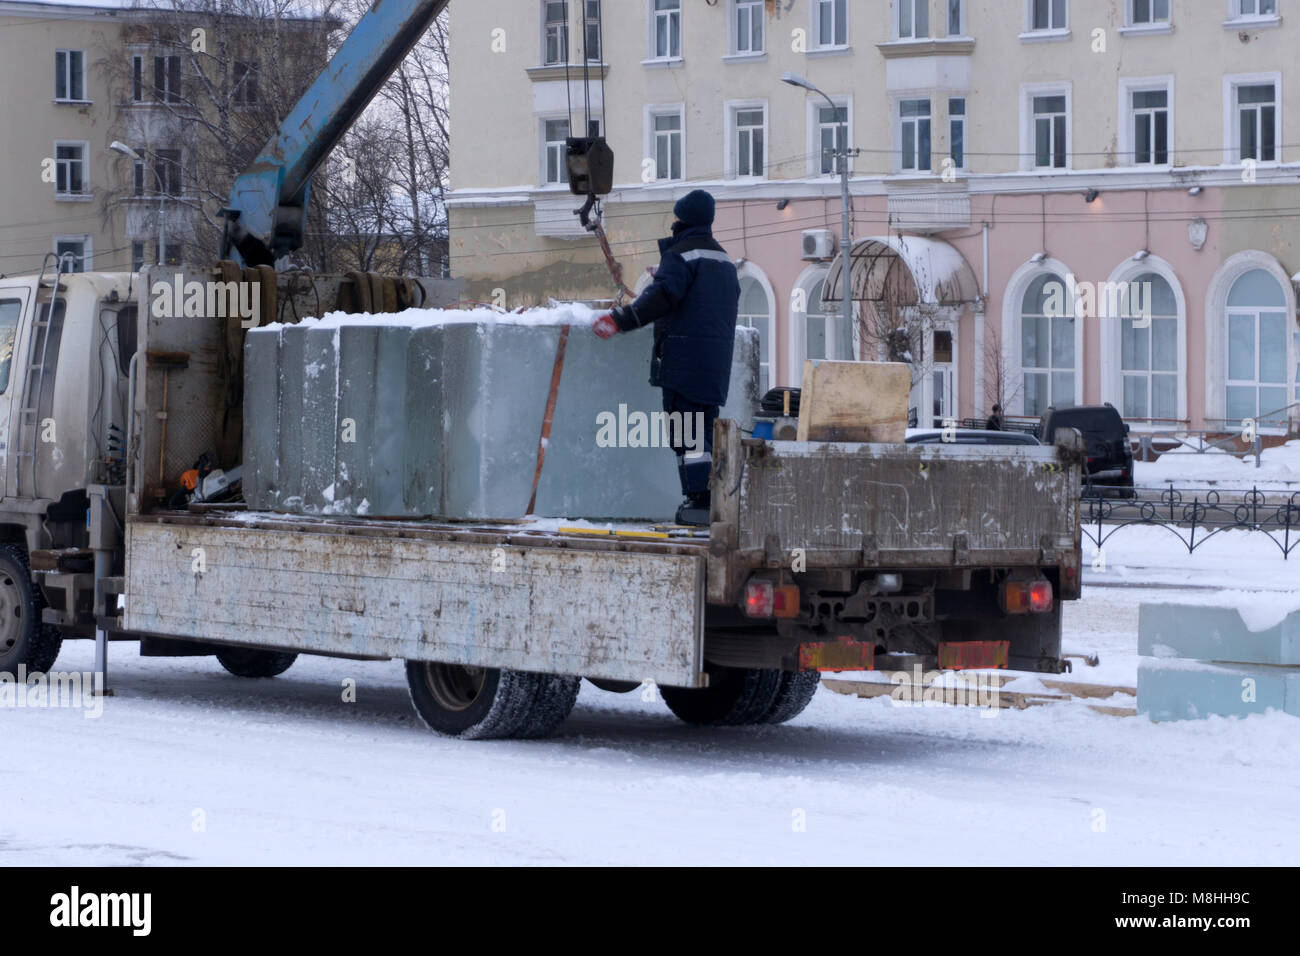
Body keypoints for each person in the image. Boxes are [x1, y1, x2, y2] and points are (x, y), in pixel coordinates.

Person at [592, 189, 739, 526]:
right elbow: (700, 301)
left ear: (682, 219)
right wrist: (664, 273)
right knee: (703, 431)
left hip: (684, 362)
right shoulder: (722, 259)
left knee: (685, 432)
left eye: (676, 215)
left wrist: (621, 319)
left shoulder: (682, 256)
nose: (673, 220)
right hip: (714, 366)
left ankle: (699, 502)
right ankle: (713, 499)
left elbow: (663, 297)